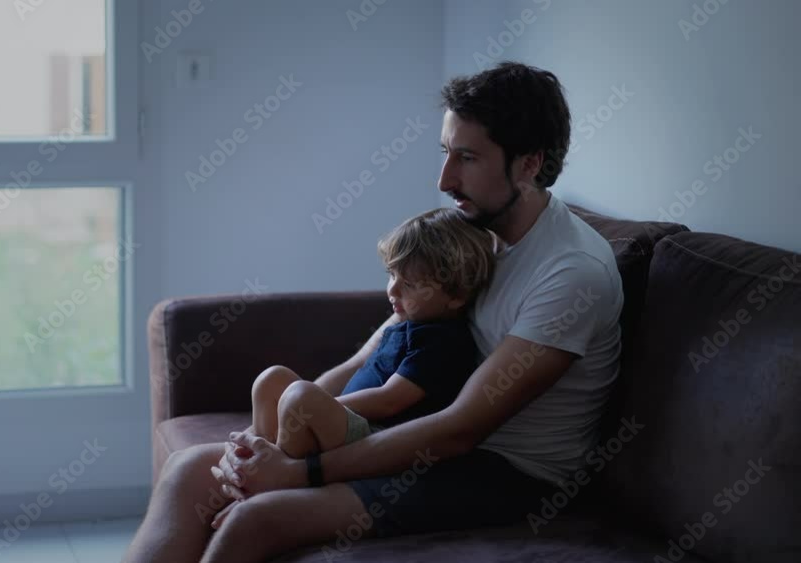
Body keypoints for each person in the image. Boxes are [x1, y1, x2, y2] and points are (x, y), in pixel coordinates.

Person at [123, 61, 624, 563]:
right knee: (191, 471)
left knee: (258, 516)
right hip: (424, 434)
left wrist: (295, 474)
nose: (445, 178)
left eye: (468, 158)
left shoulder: (571, 271)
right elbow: (371, 353)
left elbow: (461, 428)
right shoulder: (470, 236)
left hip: (505, 472)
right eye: (446, 152)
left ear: (529, 164)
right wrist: (260, 442)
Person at [249, 208, 495, 461]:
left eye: (409, 284)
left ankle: (277, 470)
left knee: (300, 398)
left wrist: (325, 405)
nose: (393, 290)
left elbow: (389, 400)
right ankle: (255, 454)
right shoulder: (409, 322)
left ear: (457, 296)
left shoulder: (443, 342)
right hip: (349, 423)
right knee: (272, 379)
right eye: (392, 275)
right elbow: (357, 366)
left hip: (375, 436)